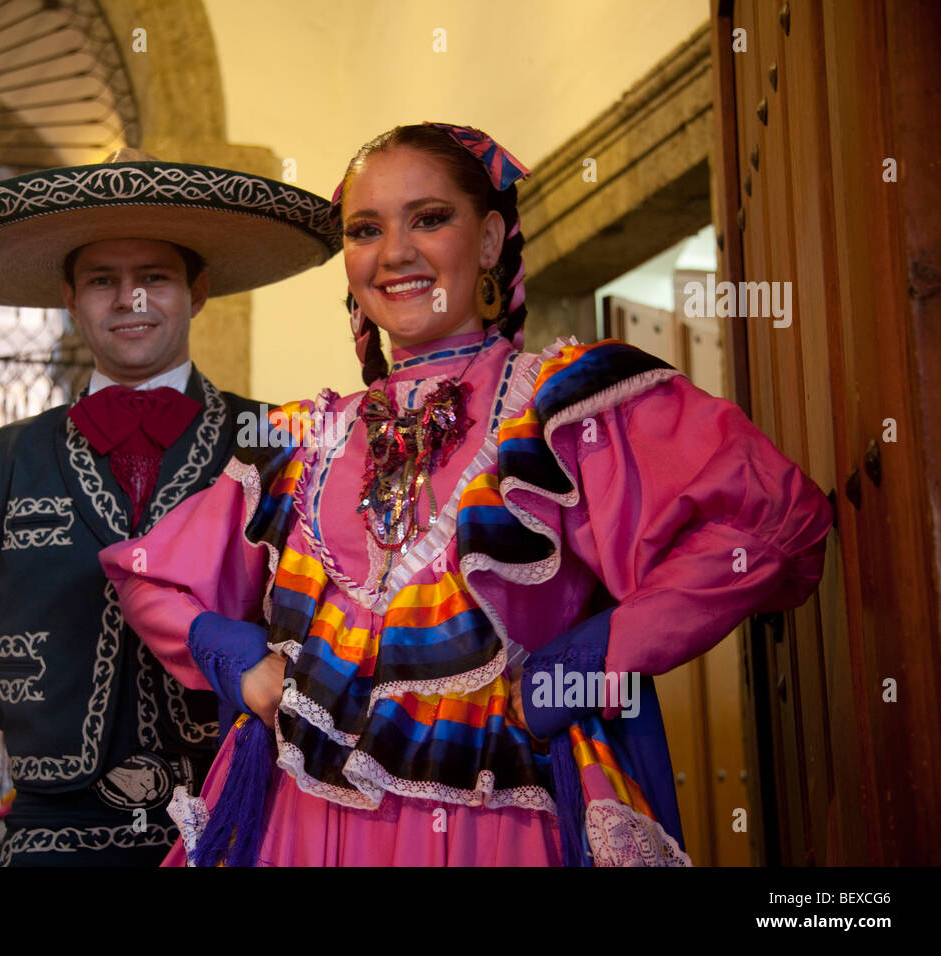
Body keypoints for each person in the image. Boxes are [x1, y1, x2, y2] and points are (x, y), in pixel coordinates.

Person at [101, 122, 835, 866]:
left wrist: (597, 654)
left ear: (489, 240)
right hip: (301, 825)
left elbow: (777, 521)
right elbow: (147, 576)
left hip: (500, 822)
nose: (394, 254)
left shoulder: (563, 406)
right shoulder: (300, 440)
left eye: (428, 218)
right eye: (365, 229)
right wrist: (237, 657)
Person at [0, 147, 341, 866]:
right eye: (103, 280)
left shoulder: (280, 441)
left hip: (235, 804)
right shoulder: (3, 459)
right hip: (55, 828)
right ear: (69, 297)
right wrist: (46, 720)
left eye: (154, 278)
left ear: (198, 291)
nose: (130, 300)